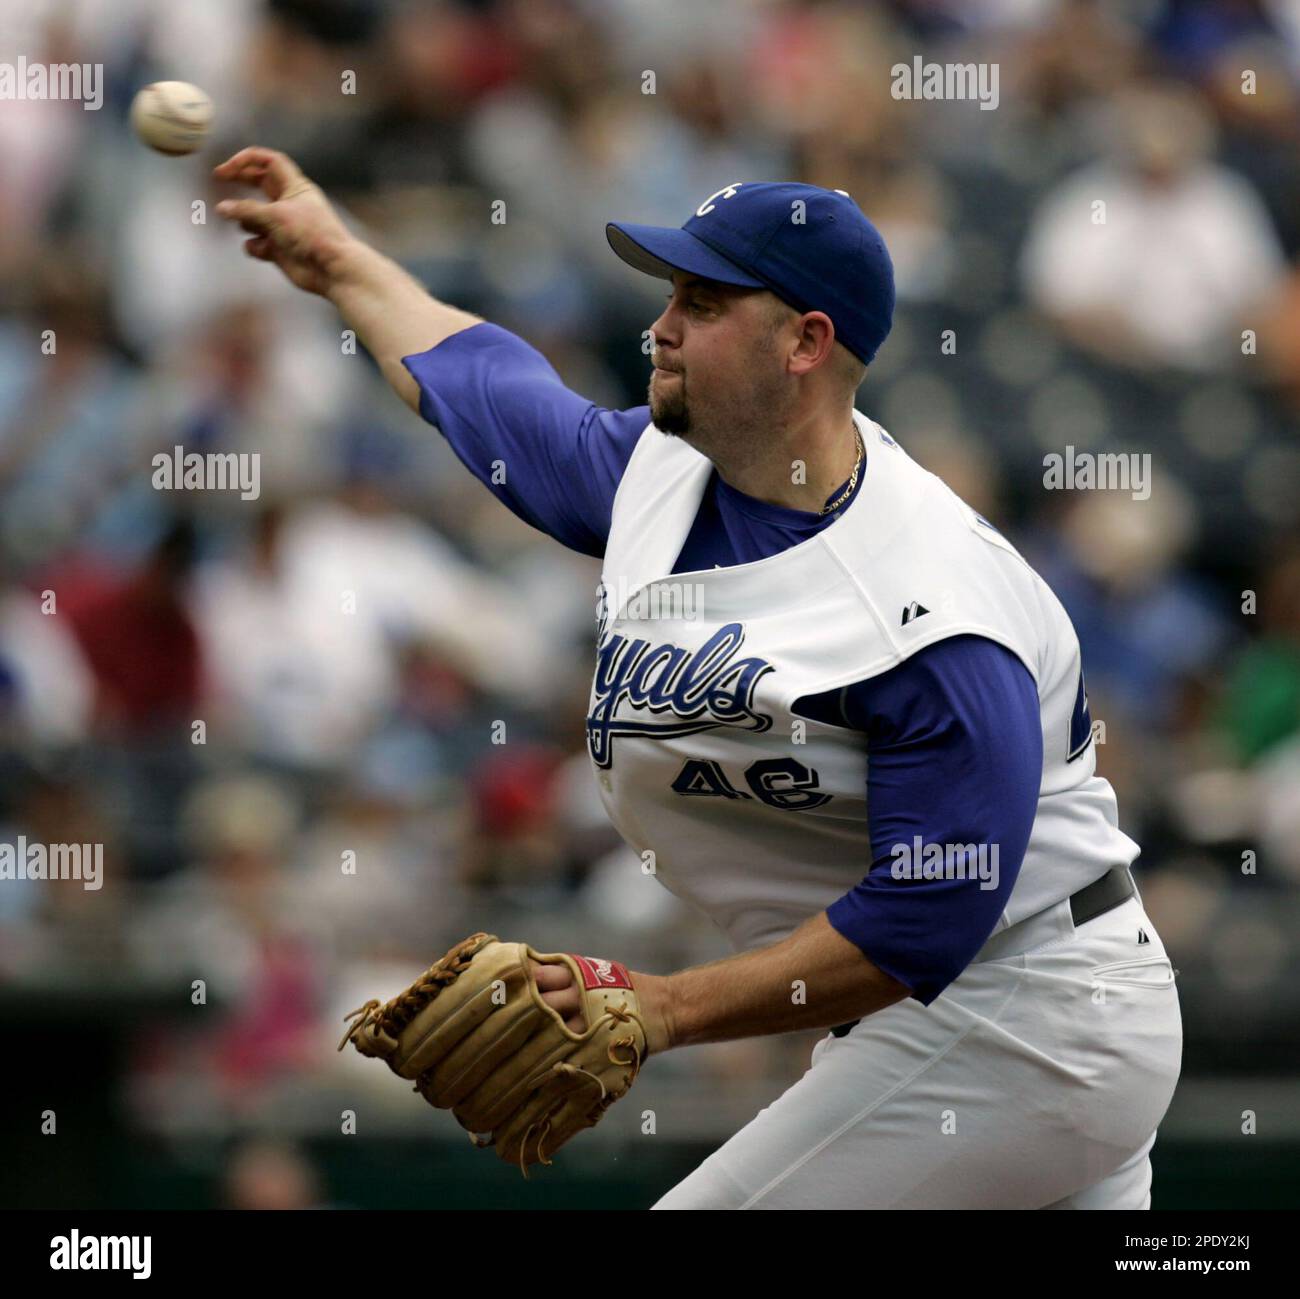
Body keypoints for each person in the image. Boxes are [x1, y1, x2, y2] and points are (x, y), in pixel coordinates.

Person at [215, 149, 1182, 1209]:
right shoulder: (662, 473)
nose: (661, 326)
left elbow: (927, 920)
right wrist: (343, 262)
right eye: (669, 294)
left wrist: (661, 1007)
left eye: (704, 303)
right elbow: (488, 390)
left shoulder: (930, 607)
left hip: (1023, 1010)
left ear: (806, 340)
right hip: (959, 1024)